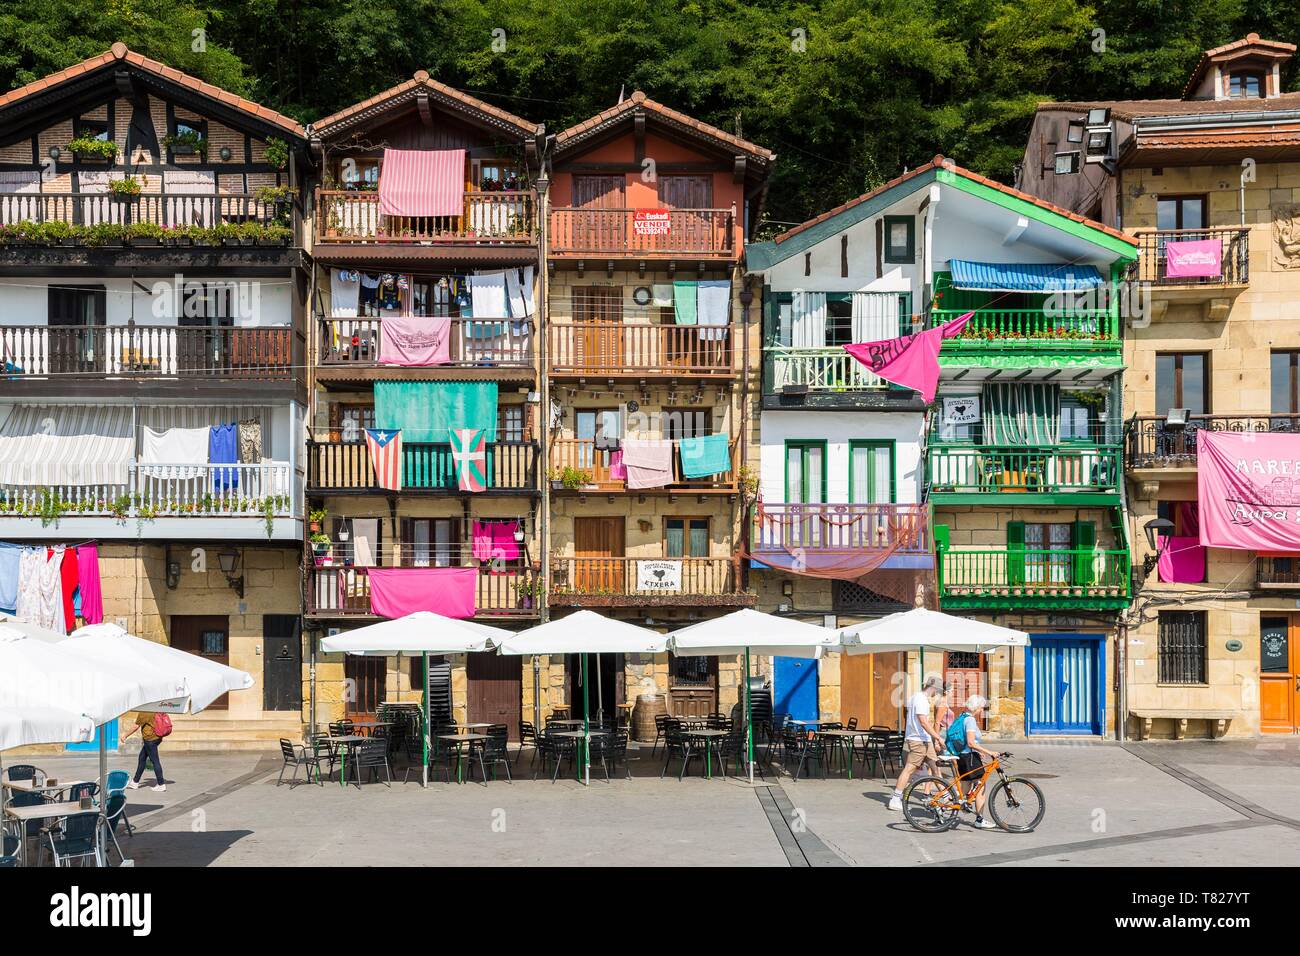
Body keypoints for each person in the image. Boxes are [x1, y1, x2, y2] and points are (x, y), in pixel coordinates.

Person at [888, 677, 948, 811]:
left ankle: (946, 797)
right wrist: (938, 737)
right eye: (937, 691)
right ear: (933, 688)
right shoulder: (921, 700)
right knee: (909, 769)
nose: (937, 694)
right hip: (918, 740)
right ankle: (895, 799)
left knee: (935, 767)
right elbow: (923, 722)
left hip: (924, 740)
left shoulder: (915, 697)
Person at [948, 694, 999, 829]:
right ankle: (979, 819)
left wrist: (979, 751)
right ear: (977, 707)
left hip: (963, 757)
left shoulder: (963, 716)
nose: (982, 710)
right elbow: (970, 742)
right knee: (981, 785)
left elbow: (969, 742)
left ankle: (946, 807)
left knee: (965, 787)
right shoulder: (970, 720)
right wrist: (989, 752)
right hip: (970, 757)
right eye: (982, 707)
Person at [123, 712, 166, 792]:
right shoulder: (157, 709)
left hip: (150, 739)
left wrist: (125, 735)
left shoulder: (145, 711)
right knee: (142, 758)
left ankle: (161, 784)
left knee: (155, 761)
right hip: (157, 737)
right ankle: (135, 782)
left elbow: (136, 726)